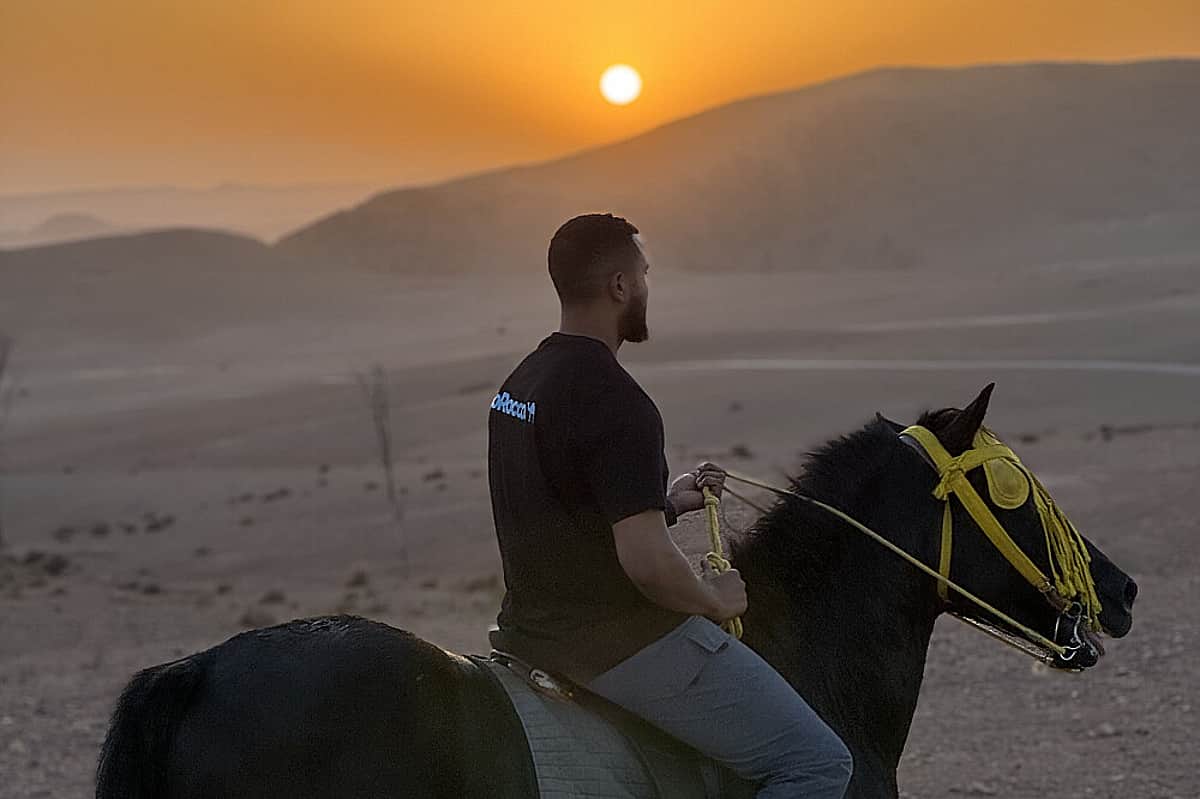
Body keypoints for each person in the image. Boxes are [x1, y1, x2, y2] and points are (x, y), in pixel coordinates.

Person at [487, 213, 853, 798]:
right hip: (616, 642)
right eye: (645, 273)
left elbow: (556, 505)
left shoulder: (521, 383)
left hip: (529, 629)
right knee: (816, 762)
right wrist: (711, 599)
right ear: (619, 287)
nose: (647, 287)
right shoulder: (618, 400)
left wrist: (663, 504)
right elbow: (648, 563)